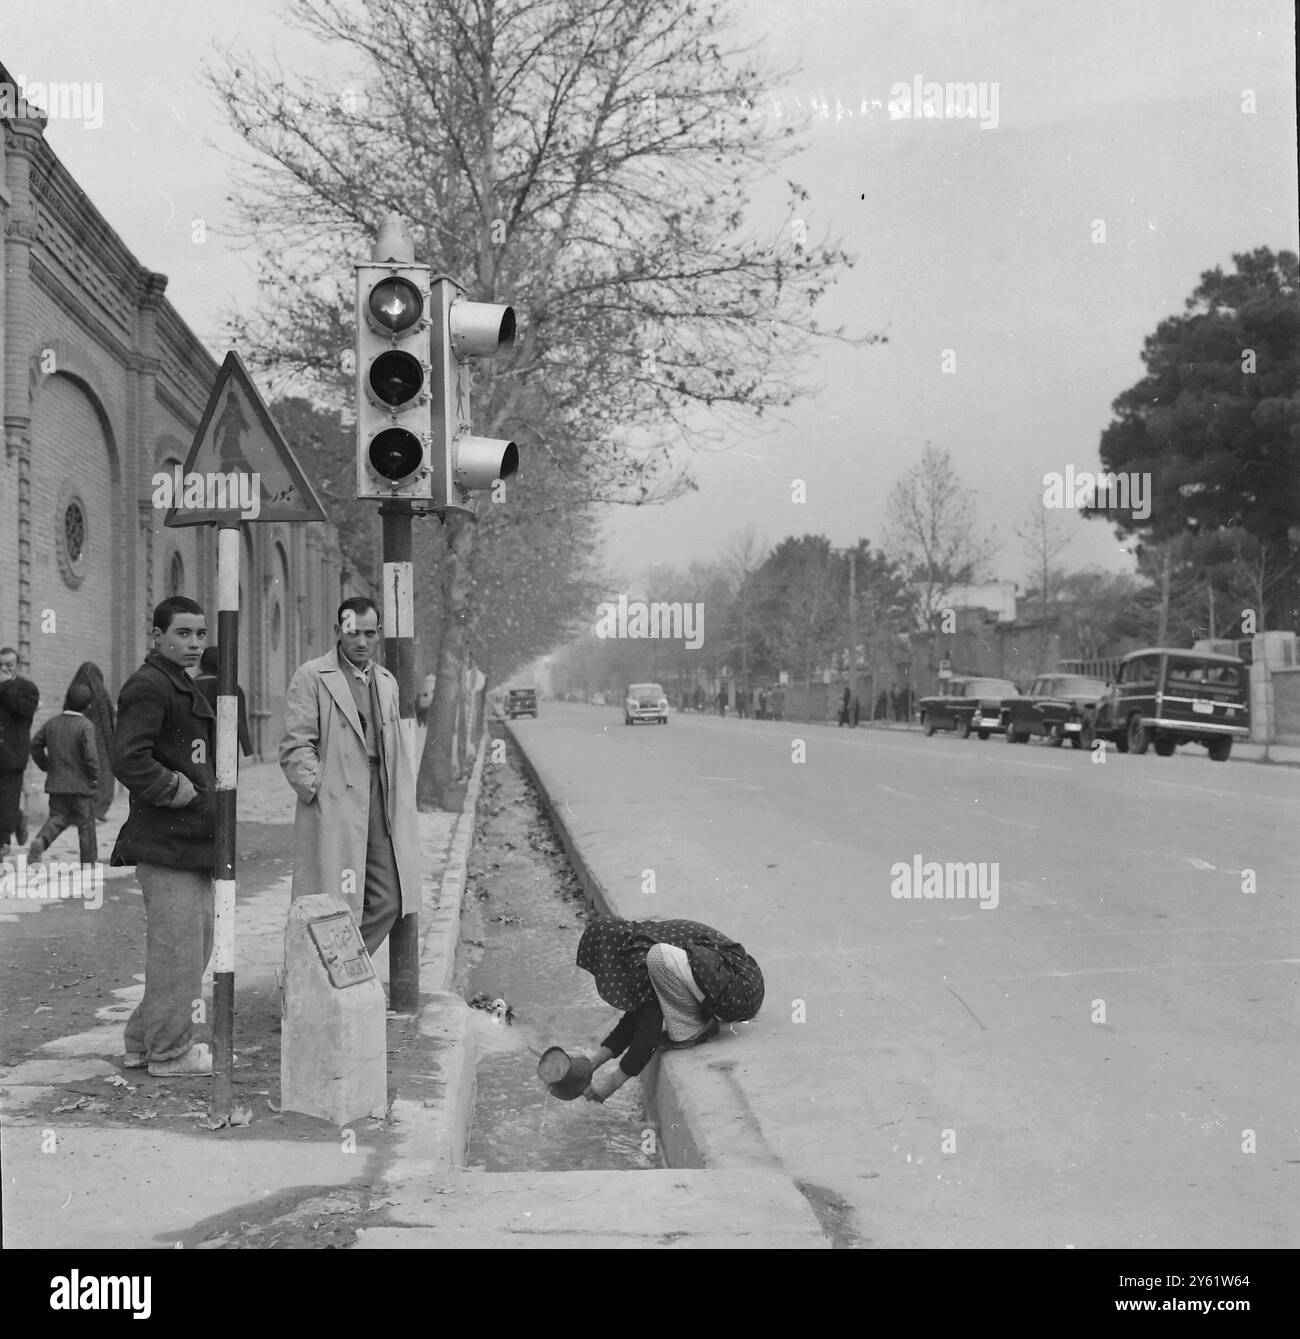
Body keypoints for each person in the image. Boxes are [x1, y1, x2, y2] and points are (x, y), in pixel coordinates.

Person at [279, 596, 422, 957]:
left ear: (378, 635)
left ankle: (339, 969)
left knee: (389, 897)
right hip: (337, 795)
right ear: (337, 632)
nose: (361, 642)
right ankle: (329, 980)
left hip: (379, 794)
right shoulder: (313, 675)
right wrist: (318, 787)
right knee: (334, 898)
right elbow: (295, 746)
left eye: (369, 633)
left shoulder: (385, 681)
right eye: (352, 632)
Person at [111, 596, 216, 1077]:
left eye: (200, 634)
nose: (194, 643)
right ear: (157, 637)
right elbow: (128, 758)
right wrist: (177, 790)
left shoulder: (175, 682)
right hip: (166, 842)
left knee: (194, 945)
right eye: (183, 634)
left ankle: (140, 1042)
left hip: (190, 842)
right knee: (179, 951)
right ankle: (171, 1053)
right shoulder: (149, 685)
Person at [573, 914, 765, 1103]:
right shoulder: (634, 944)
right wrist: (592, 1064)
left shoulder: (640, 955)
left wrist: (613, 1082)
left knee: (658, 956)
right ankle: (693, 1023)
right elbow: (636, 1017)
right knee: (657, 962)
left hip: (742, 991)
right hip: (744, 990)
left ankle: (692, 1029)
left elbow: (649, 1033)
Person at [28, 683, 100, 865]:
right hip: (81, 785)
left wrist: (46, 766)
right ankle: (88, 864)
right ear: (87, 706)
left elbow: (35, 745)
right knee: (85, 824)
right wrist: (95, 777)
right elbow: (91, 757)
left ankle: (41, 841)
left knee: (58, 818)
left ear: (67, 701)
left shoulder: (52, 723)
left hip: (56, 783)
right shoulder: (86, 725)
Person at [0, 647, 40, 855]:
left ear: (18, 666)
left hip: (13, 754)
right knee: (5, 801)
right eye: (1, 665)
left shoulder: (28, 688)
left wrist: (6, 686)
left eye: (9, 665)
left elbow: (24, 710)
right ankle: (16, 817)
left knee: (6, 798)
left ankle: (3, 844)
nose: (4, 669)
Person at [70, 662, 117, 821]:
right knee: (100, 774)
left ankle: (85, 811)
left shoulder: (74, 692)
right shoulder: (101, 693)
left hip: (80, 741)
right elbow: (111, 715)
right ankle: (98, 810)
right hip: (101, 744)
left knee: (83, 774)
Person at [192, 647, 253, 758]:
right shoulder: (233, 689)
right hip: (225, 743)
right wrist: (247, 748)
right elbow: (240, 720)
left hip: (196, 744)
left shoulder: (190, 686)